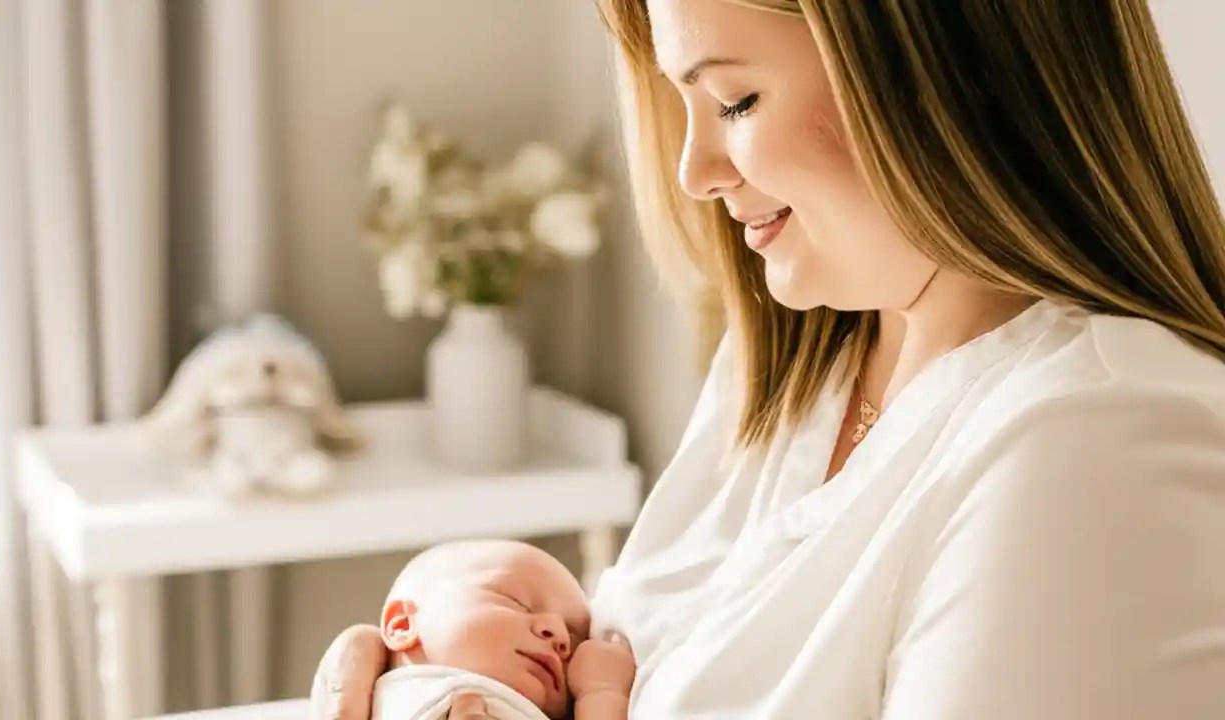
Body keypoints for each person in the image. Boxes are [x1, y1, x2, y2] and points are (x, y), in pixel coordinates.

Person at [313, 1, 1225, 717]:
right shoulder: (801, 362)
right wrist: (438, 675)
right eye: (682, 104)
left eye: (736, 101)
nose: (694, 170)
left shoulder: (1095, 443)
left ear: (949, 74)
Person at [365, 540, 633, 720]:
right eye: (518, 602)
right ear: (402, 625)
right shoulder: (432, 696)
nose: (559, 635)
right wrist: (602, 694)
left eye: (575, 641)